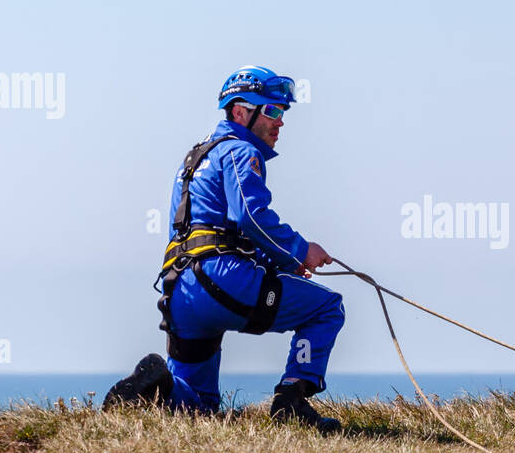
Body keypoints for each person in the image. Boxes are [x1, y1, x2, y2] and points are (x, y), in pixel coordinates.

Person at [104, 65, 345, 432]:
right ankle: (291, 401)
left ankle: (153, 388)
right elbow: (250, 217)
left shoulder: (195, 159)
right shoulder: (240, 152)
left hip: (181, 291)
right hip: (222, 281)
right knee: (327, 308)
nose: (280, 122)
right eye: (273, 111)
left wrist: (276, 261)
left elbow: (215, 232)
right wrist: (299, 251)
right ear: (240, 112)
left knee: (198, 407)